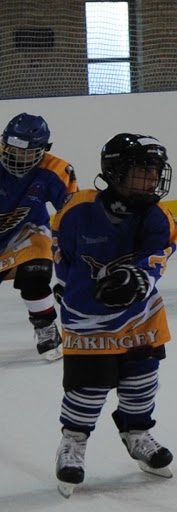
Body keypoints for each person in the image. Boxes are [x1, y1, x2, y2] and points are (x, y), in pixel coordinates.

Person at [51, 133, 177, 497]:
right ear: (115, 172)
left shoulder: (158, 217)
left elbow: (158, 256)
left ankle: (137, 433)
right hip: (85, 316)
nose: (151, 180)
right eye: (142, 172)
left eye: (155, 172)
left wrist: (139, 277)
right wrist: (65, 286)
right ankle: (73, 443)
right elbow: (63, 253)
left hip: (142, 317)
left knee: (141, 384)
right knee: (87, 389)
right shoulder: (77, 209)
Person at [0, 113, 78, 360]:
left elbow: (71, 216)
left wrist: (72, 266)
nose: (17, 156)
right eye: (12, 148)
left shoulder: (55, 170)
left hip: (27, 230)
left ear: (43, 150)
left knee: (35, 276)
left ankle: (45, 328)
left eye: (26, 151)